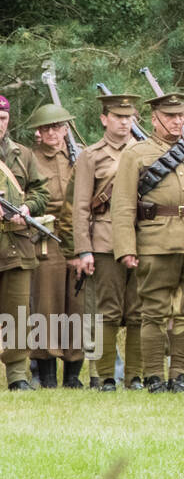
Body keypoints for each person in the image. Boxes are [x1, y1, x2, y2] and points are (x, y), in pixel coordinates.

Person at [110, 91, 184, 393]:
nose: (176, 121)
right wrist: (126, 247)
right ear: (154, 119)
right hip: (155, 241)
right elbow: (124, 204)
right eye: (169, 117)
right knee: (153, 312)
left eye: (180, 116)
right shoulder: (136, 154)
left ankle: (178, 374)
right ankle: (154, 374)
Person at [72, 92, 143, 391]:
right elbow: (80, 206)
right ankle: (105, 377)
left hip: (140, 239)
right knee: (108, 311)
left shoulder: (143, 151)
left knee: (140, 311)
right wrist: (83, 249)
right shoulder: (91, 155)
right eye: (118, 117)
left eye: (129, 118)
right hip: (105, 240)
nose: (125, 122)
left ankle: (136, 376)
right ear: (104, 119)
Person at [27, 104, 83, 387]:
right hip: (44, 241)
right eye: (46, 127)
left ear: (66, 129)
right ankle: (46, 375)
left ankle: (73, 376)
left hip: (77, 240)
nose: (52, 132)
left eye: (57, 126)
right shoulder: (29, 159)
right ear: (38, 131)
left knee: (78, 307)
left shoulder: (79, 156)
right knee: (45, 309)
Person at [0, 94, 50, 390]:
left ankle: (18, 375)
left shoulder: (22, 155)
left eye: (3, 119)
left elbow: (42, 192)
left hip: (16, 245)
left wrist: (28, 208)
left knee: (17, 314)